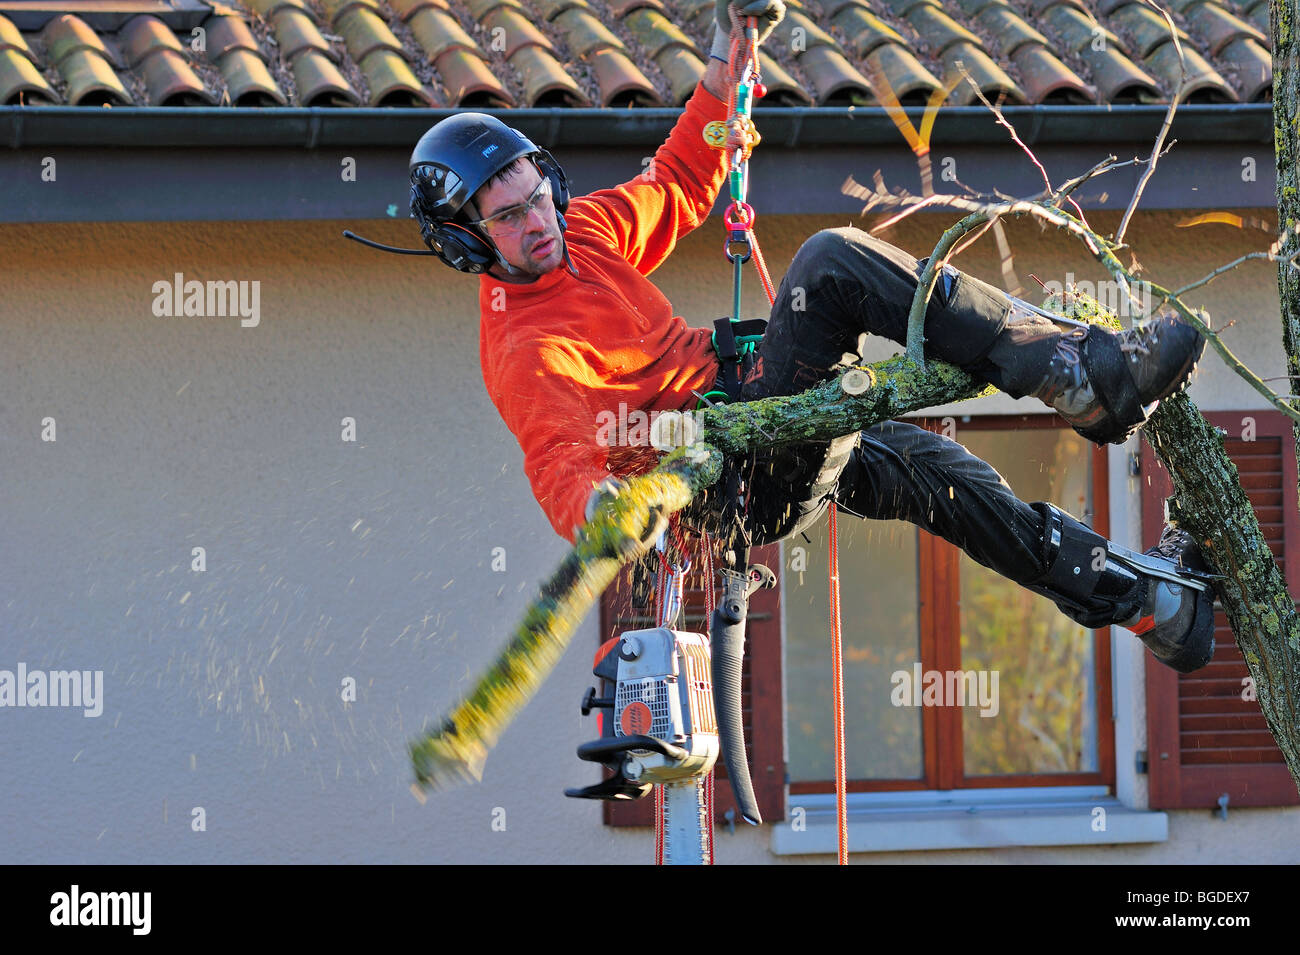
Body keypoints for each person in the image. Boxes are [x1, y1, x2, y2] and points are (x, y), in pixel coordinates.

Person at [406, 0, 1217, 673]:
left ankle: (1154, 603)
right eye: (509, 218)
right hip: (733, 475)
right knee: (830, 263)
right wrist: (603, 509)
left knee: (957, 484)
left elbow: (683, 178)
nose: (539, 223)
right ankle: (1074, 371)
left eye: (538, 197)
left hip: (767, 410)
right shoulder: (525, 351)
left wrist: (729, 54)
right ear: (468, 240)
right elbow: (558, 463)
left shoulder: (582, 233)